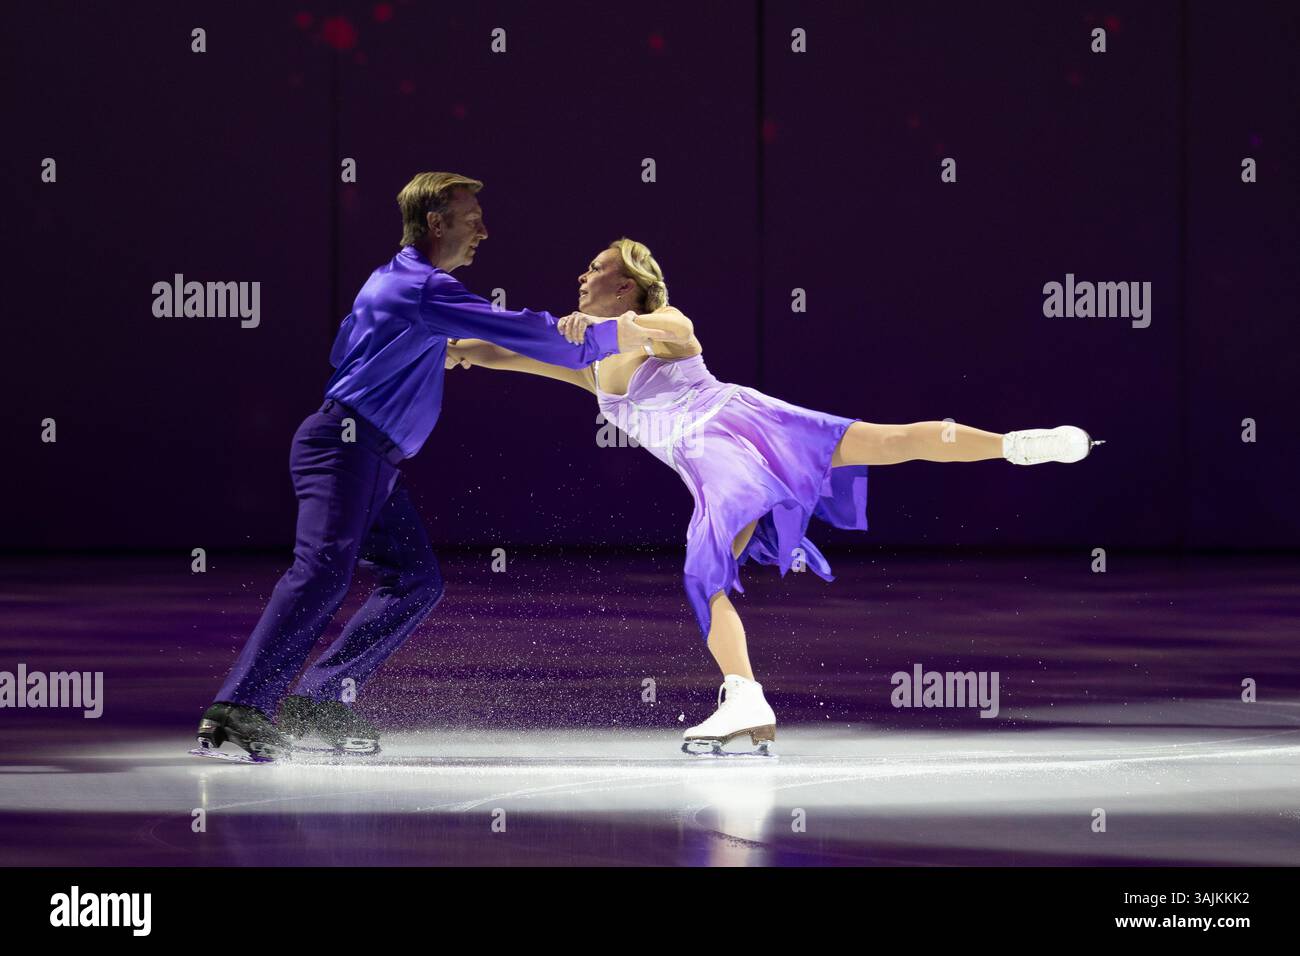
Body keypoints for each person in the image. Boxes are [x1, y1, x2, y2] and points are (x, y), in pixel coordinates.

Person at [446, 238, 1100, 755]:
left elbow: (669, 337)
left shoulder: (661, 317)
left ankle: (1015, 444)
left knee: (728, 554)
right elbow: (509, 356)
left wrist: (603, 327)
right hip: (731, 446)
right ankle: (743, 697)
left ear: (629, 283)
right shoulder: (589, 363)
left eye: (596, 268)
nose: (582, 277)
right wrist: (453, 350)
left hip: (724, 437)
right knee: (865, 454)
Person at [196, 174, 670, 760]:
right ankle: (240, 706)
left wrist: (422, 352)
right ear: (437, 223)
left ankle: (320, 698)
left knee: (416, 581)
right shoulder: (424, 289)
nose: (484, 232)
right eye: (473, 220)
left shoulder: (392, 282)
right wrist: (597, 337)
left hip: (373, 458)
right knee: (321, 571)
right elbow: (518, 329)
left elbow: (346, 350)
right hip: (347, 449)